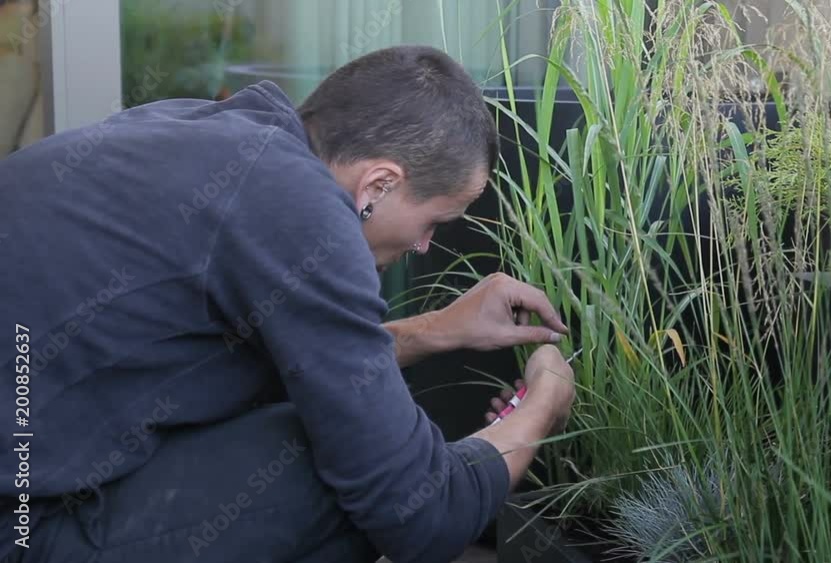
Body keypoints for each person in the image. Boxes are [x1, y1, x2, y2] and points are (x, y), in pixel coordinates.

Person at [0, 45, 576, 563]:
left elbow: (273, 362)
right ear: (378, 184)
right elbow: (422, 515)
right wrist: (542, 405)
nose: (424, 245)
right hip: (20, 528)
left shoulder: (223, 138)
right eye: (434, 222)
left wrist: (433, 331)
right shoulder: (303, 213)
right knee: (336, 473)